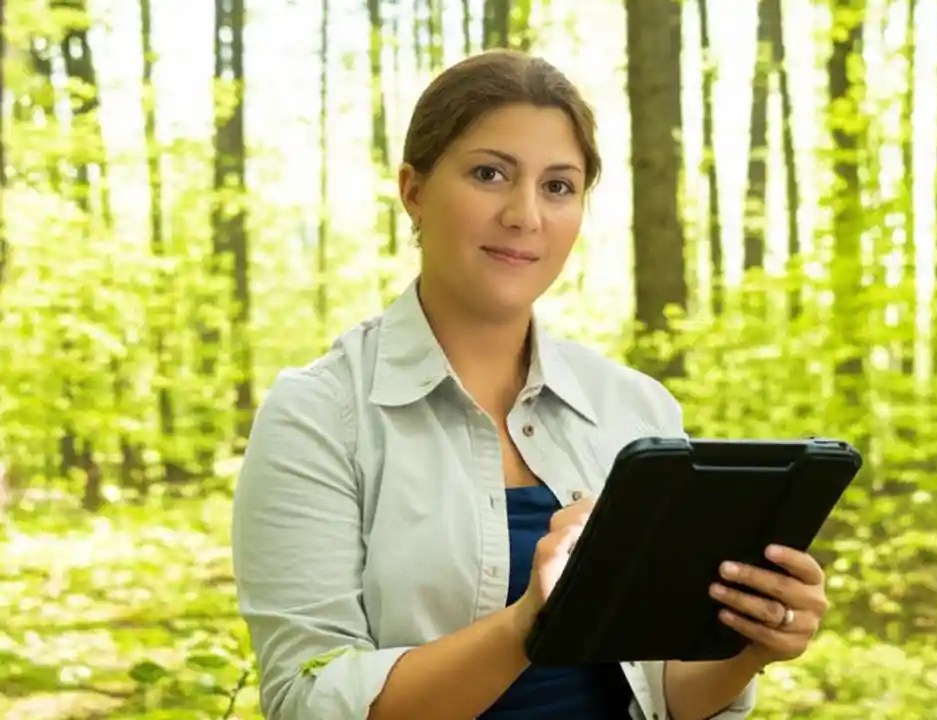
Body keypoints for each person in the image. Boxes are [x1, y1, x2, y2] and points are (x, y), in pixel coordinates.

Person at [230, 49, 832, 720]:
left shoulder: (636, 409)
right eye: (489, 174)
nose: (525, 215)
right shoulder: (320, 415)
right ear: (414, 191)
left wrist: (750, 643)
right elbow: (305, 699)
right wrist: (528, 624)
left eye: (559, 186)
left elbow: (666, 694)